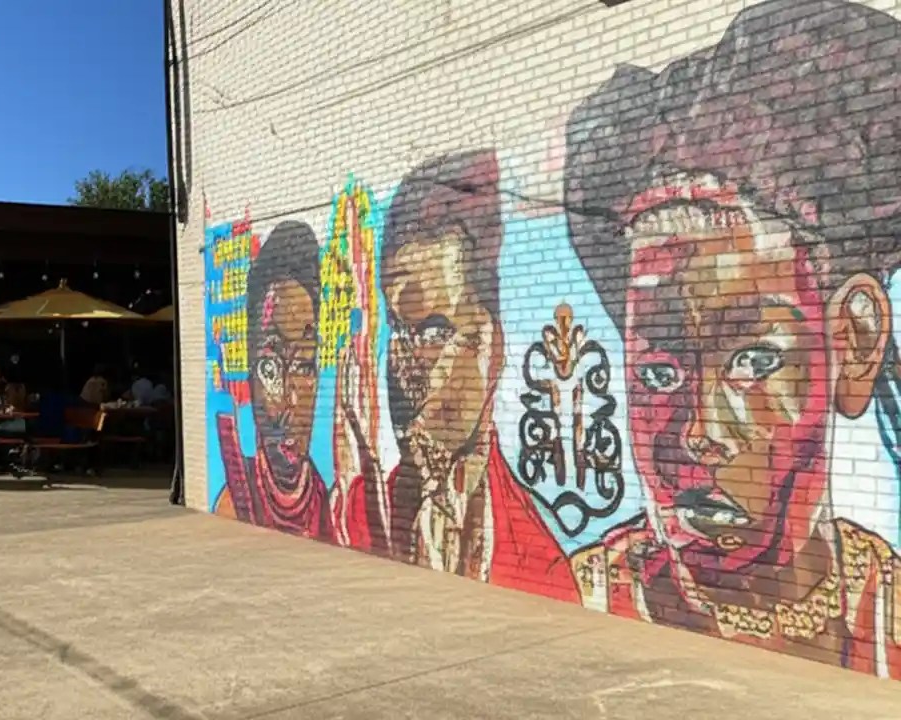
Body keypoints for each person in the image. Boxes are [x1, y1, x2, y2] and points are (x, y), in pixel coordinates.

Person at [563, 0, 901, 676]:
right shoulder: (581, 592)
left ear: (854, 342)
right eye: (657, 373)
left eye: (752, 359)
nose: (698, 432)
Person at [329, 151, 579, 602]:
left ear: (493, 346)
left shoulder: (537, 562)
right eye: (399, 333)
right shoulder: (369, 508)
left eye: (436, 331)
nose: (407, 367)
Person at [214, 221, 329, 538]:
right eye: (269, 368)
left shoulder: (338, 514)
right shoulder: (232, 505)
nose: (290, 401)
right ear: (249, 377)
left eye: (305, 366)